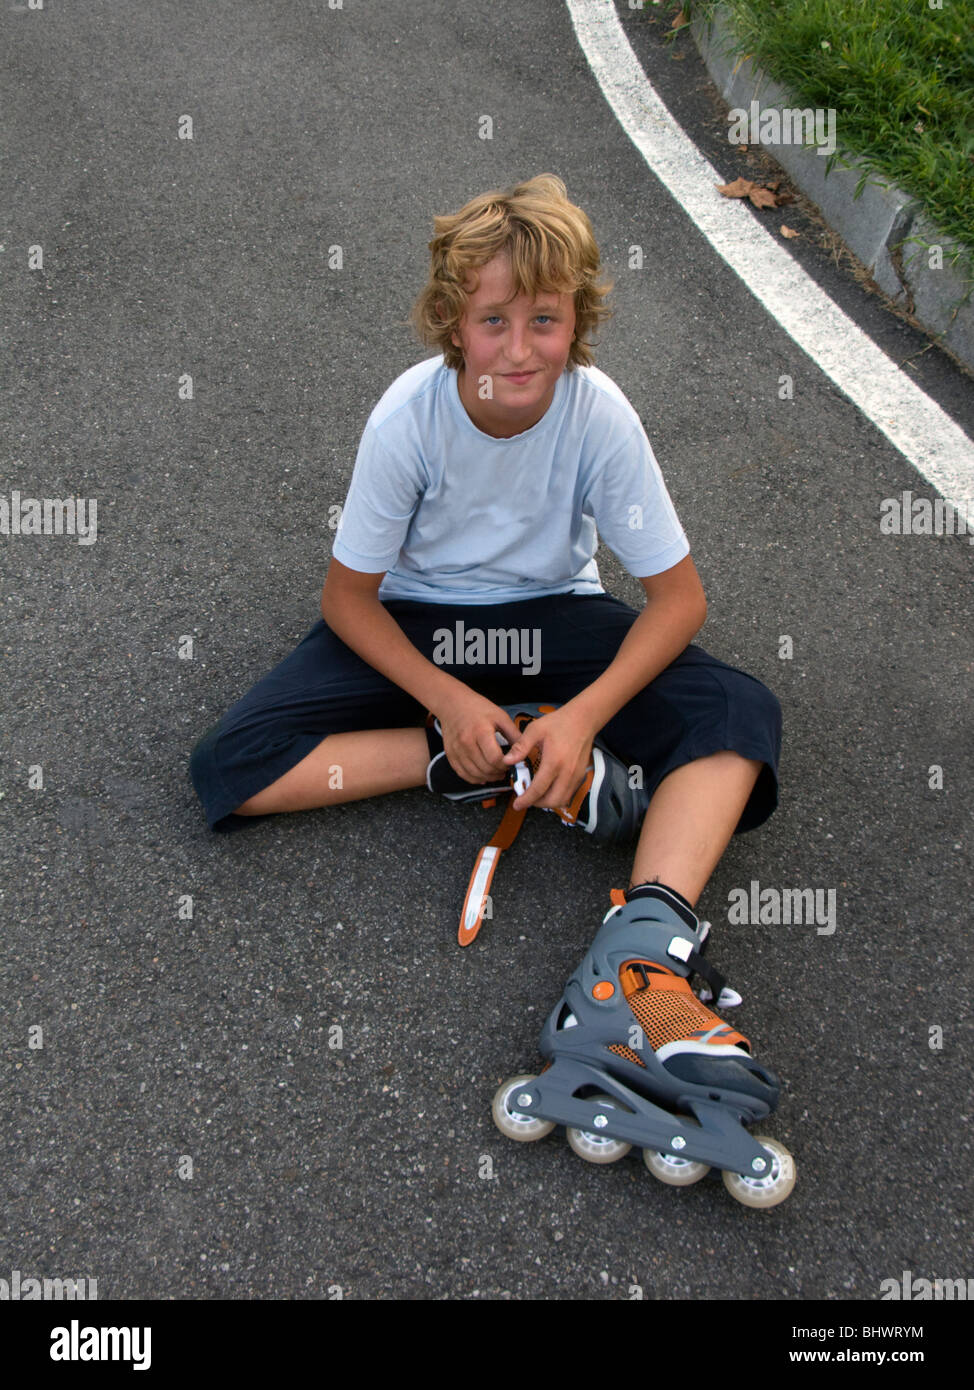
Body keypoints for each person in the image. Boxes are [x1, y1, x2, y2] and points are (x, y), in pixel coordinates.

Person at [189, 174, 793, 1203]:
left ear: (577, 321)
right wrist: (447, 706)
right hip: (421, 625)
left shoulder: (596, 414)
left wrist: (583, 710)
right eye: (493, 321)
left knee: (740, 710)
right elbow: (347, 600)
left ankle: (641, 957)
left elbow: (677, 600)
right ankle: (501, 759)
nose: (518, 349)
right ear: (451, 324)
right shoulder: (409, 418)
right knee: (229, 767)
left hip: (552, 622)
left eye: (544, 320)